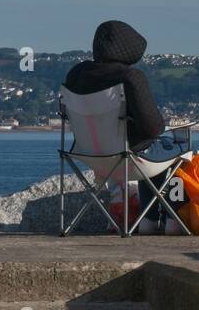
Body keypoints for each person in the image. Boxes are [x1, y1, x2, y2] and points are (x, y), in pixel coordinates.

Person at [63, 20, 186, 232]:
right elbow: (154, 128)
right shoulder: (131, 77)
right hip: (128, 158)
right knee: (180, 147)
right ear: (129, 49)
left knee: (151, 147)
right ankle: (170, 220)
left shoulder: (76, 75)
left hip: (90, 156)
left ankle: (148, 221)